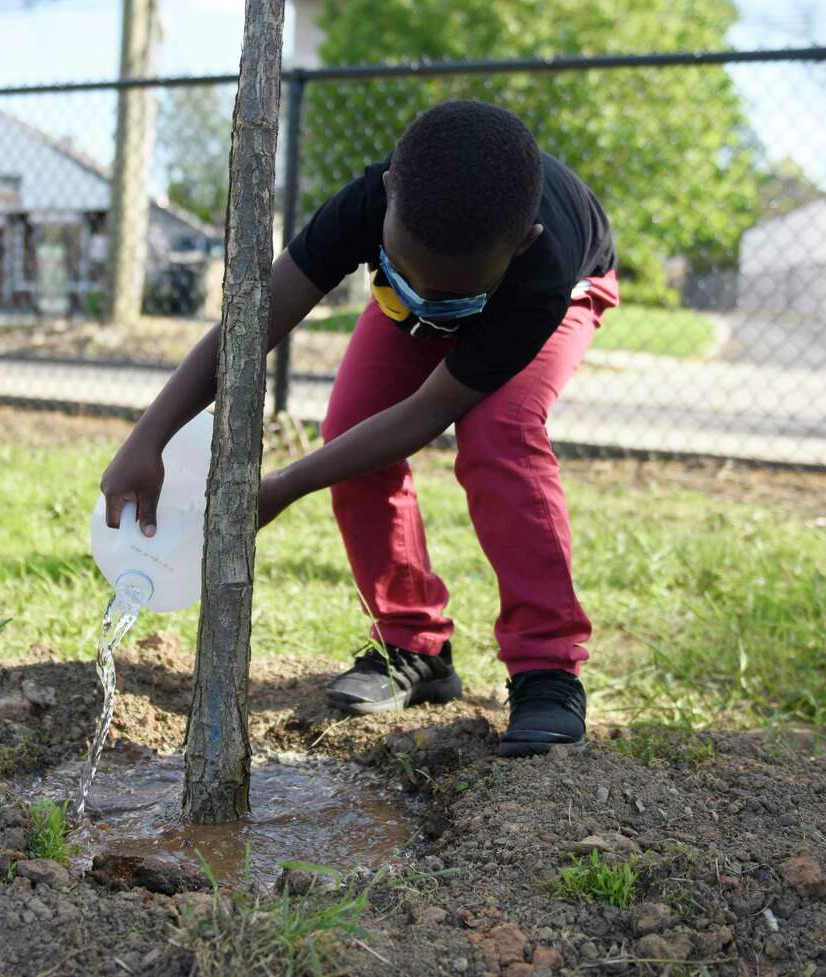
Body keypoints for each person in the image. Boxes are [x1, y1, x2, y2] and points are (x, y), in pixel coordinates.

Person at [100, 100, 618, 756]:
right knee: (349, 423)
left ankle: (547, 666)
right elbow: (251, 322)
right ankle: (414, 643)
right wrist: (151, 433)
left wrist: (284, 485)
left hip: (560, 294)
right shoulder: (369, 202)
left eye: (447, 288)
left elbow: (431, 410)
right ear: (387, 198)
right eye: (409, 271)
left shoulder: (542, 264)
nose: (428, 294)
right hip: (431, 292)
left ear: (516, 247)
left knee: (499, 432)